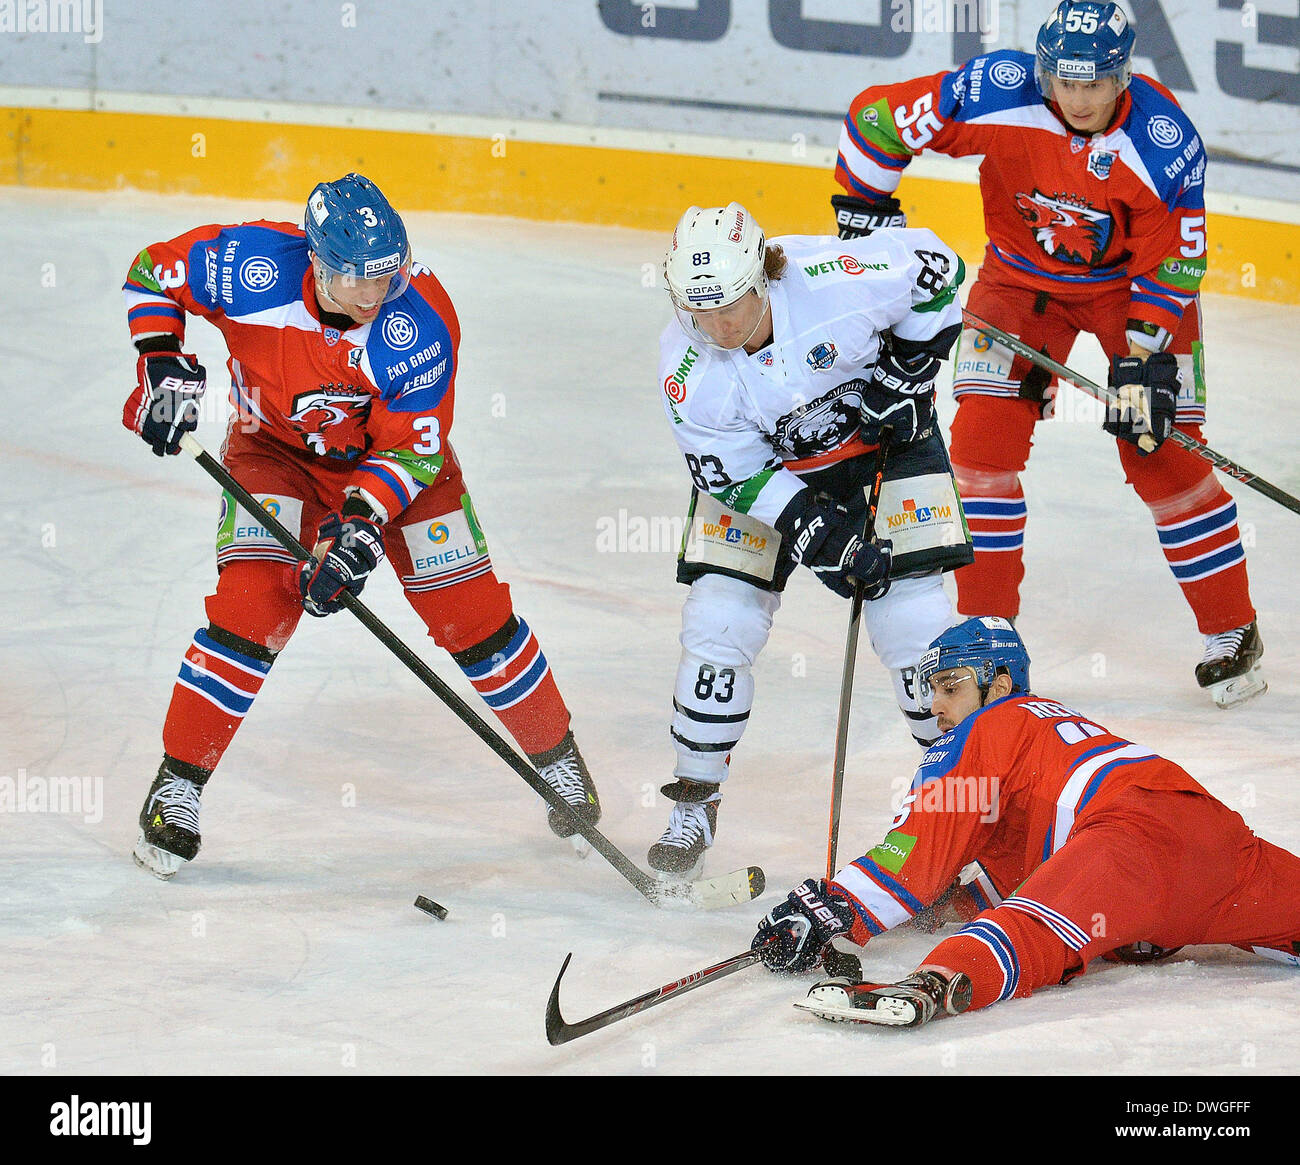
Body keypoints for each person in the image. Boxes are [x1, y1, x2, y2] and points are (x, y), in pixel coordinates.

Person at [122, 172, 601, 878]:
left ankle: (560, 761)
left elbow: (414, 446)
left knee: (471, 618)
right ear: (315, 260)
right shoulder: (246, 267)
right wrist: (161, 362)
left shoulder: (421, 321)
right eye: (354, 277)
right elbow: (150, 273)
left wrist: (356, 530)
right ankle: (177, 785)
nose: (374, 294)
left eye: (386, 273)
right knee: (250, 614)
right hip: (272, 454)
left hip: (396, 468)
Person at [831, 1, 1265, 707]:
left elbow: (1179, 260)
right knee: (979, 450)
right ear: (1044, 73)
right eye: (1067, 82)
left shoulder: (1162, 139)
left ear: (1122, 76)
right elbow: (875, 120)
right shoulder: (993, 91)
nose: (1081, 98)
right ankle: (987, 635)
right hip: (1016, 284)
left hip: (1133, 292)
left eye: (1097, 83)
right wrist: (864, 217)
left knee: (1162, 450)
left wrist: (1143, 357)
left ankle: (1231, 628)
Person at [750, 617, 1300, 1027]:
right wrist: (949, 905)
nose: (936, 706)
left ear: (1001, 681)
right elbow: (1037, 860)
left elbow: (921, 842)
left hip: (1130, 843)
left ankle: (938, 983)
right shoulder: (1050, 726)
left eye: (951, 685)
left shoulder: (986, 729)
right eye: (931, 690)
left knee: (1031, 930)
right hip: (1218, 842)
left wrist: (835, 906)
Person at [647, 201, 975, 878]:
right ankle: (694, 796)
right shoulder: (684, 364)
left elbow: (939, 270)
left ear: (763, 277)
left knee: (915, 622)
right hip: (772, 479)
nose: (715, 326)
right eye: (697, 309)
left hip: (886, 447)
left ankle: (954, 811)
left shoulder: (831, 278)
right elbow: (732, 473)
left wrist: (906, 374)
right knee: (719, 620)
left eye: (730, 306)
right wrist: (816, 531)